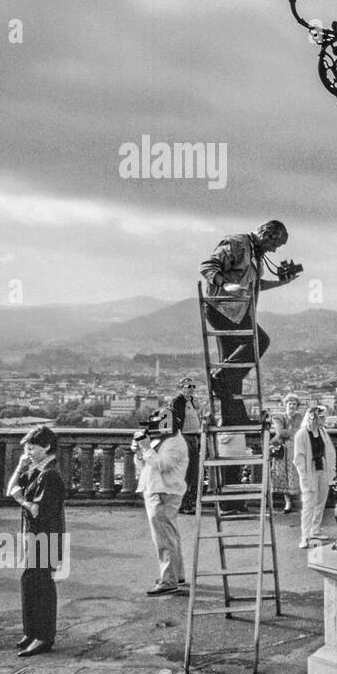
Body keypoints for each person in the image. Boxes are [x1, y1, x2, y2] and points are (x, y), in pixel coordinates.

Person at [199, 220, 300, 425]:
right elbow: (208, 267)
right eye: (275, 244)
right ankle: (220, 376)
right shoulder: (238, 244)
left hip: (237, 311)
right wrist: (226, 285)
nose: (273, 250)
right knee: (259, 341)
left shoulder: (255, 255)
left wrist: (282, 282)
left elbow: (255, 285)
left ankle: (234, 419)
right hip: (223, 308)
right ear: (266, 234)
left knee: (234, 366)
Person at [6, 425, 66, 657]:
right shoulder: (37, 470)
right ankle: (32, 631)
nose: (28, 452)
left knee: (41, 584)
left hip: (45, 537)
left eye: (32, 448)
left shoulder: (49, 475)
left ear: (47, 447)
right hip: (35, 536)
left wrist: (21, 499)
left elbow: (35, 510)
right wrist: (21, 468)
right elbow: (10, 488)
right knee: (30, 580)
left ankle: (44, 636)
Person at [133, 408, 189, 596]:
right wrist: (140, 451)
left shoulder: (173, 442)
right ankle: (176, 575)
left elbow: (162, 465)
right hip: (159, 490)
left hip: (164, 492)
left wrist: (146, 448)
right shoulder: (167, 439)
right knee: (170, 535)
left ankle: (169, 580)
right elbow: (146, 464)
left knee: (164, 538)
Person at [293, 405, 336, 548]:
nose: (323, 419)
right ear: (313, 418)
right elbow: (298, 458)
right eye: (321, 417)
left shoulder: (322, 431)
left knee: (321, 500)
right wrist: (304, 476)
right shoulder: (301, 434)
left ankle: (315, 530)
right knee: (308, 504)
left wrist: (331, 470)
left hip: (322, 467)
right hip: (309, 470)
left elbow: (328, 451)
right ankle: (305, 536)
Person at [169, 376, 202, 514]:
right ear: (181, 388)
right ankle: (183, 504)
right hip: (183, 437)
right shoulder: (177, 402)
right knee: (185, 472)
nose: (191, 389)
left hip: (193, 437)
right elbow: (174, 420)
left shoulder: (192, 401)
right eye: (188, 387)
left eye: (193, 386)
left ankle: (190, 503)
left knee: (193, 472)